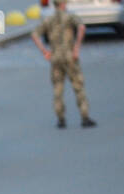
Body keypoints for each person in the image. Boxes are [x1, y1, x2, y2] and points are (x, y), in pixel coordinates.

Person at [32, 0, 93, 129]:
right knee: (78, 85)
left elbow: (35, 34)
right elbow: (81, 27)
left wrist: (44, 51)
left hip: (55, 57)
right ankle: (84, 116)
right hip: (70, 56)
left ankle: (60, 118)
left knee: (58, 89)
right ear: (64, 4)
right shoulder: (70, 17)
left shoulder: (49, 19)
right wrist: (76, 48)